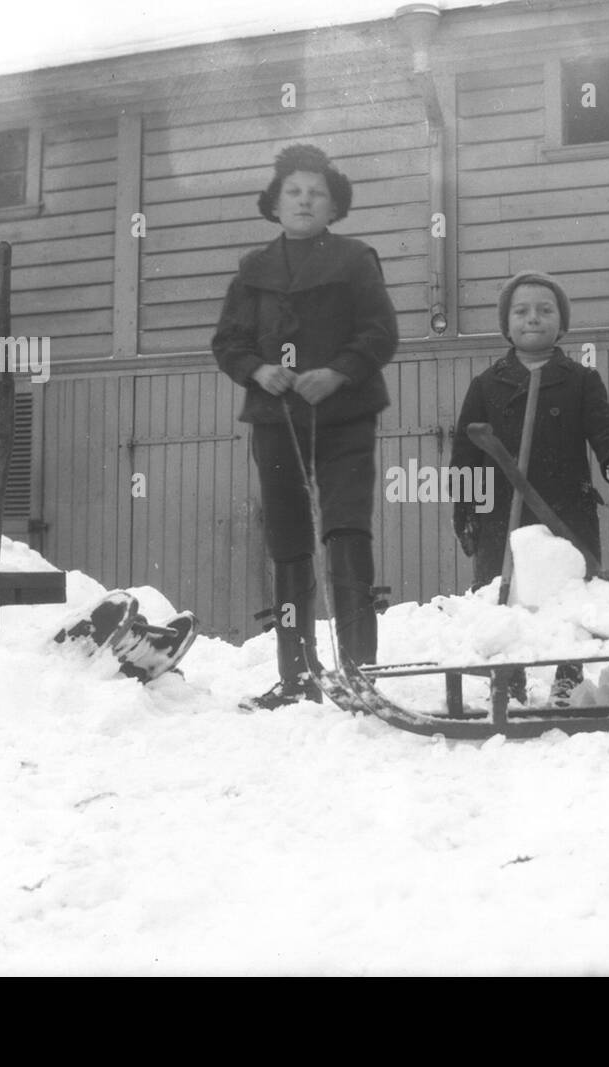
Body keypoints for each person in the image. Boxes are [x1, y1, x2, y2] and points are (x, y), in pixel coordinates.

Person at [212, 144, 399, 709]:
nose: (304, 200)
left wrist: (339, 373)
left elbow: (379, 333)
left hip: (344, 419)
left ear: (333, 205)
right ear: (275, 203)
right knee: (289, 544)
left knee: (345, 533)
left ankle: (359, 673)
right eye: (293, 191)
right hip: (276, 422)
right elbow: (229, 342)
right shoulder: (253, 269)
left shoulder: (355, 259)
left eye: (316, 192)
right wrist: (258, 370)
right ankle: (297, 675)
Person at [450, 270, 609, 705]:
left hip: (567, 509)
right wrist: (465, 511)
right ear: (506, 323)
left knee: (570, 596)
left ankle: (568, 680)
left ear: (562, 322)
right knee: (504, 595)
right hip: (501, 515)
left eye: (545, 310)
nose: (533, 318)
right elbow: (464, 454)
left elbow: (605, 433)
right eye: (521, 311)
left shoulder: (580, 380)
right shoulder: (487, 385)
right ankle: (506, 681)